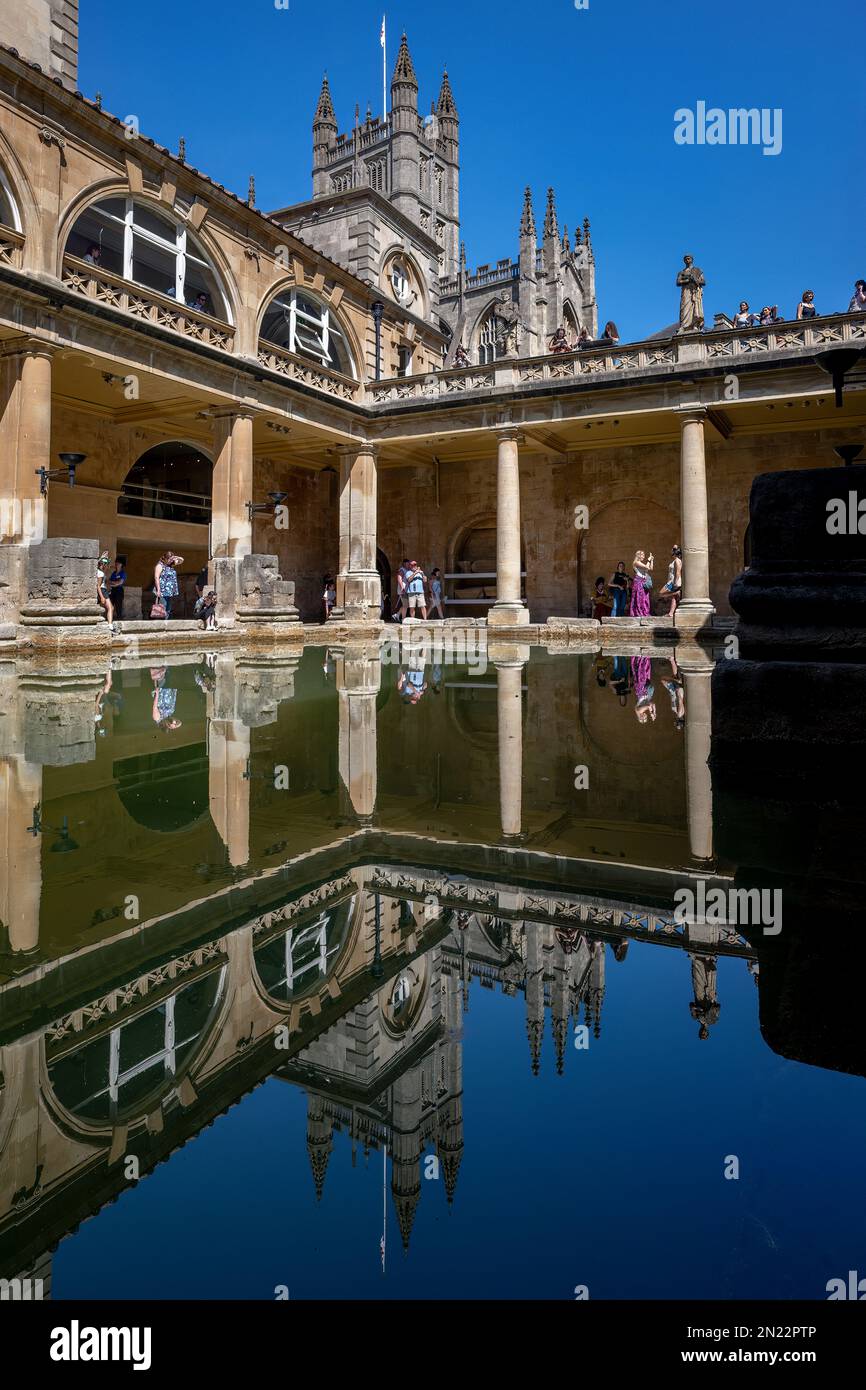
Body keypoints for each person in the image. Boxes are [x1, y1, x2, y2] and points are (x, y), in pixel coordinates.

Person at [153, 551, 182, 619]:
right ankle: (161, 624)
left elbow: (182, 560)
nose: (170, 561)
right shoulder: (160, 565)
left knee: (168, 608)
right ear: (165, 558)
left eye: (172, 559)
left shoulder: (171, 565)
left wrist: (176, 557)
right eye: (169, 559)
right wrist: (158, 590)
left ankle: (167, 624)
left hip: (170, 591)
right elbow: (156, 577)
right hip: (163, 590)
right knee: (163, 607)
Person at [662, 654, 686, 730]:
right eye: (676, 723)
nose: (674, 722)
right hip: (677, 692)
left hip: (674, 692)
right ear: (678, 721)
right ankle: (672, 659)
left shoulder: (678, 713)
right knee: (664, 679)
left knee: (674, 676)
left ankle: (672, 660)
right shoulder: (679, 714)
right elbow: (680, 701)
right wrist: (677, 690)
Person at [659, 544, 683, 618]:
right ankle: (671, 613)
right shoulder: (675, 560)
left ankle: (676, 592)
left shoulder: (677, 560)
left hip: (673, 582)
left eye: (673, 549)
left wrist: (675, 582)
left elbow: (678, 572)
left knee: (661, 593)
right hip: (671, 581)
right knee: (673, 598)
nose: (671, 550)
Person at [631, 655, 656, 724]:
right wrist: (654, 713)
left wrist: (651, 713)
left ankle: (641, 657)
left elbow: (648, 706)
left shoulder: (638, 711)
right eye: (646, 717)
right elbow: (652, 704)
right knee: (646, 670)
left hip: (642, 689)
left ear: (641, 717)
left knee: (641, 671)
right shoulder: (642, 711)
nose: (646, 716)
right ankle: (646, 656)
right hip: (646, 691)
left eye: (645, 717)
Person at [628, 549, 653, 617]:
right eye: (642, 555)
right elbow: (646, 567)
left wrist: (651, 560)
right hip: (638, 581)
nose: (643, 556)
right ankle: (638, 612)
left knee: (644, 597)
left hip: (643, 581)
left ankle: (644, 611)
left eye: (644, 555)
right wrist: (648, 560)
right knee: (639, 597)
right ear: (638, 555)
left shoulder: (641, 563)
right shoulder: (636, 562)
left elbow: (650, 568)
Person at [96, 550, 114, 627]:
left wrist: (103, 556)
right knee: (111, 608)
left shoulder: (99, 571)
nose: (107, 566)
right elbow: (98, 586)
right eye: (106, 564)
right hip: (102, 591)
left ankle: (108, 624)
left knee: (104, 608)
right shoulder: (100, 573)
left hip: (103, 590)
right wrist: (102, 597)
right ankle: (110, 625)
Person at [392, 557, 410, 623]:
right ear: (404, 563)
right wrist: (402, 587)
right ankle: (403, 619)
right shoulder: (402, 570)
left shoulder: (407, 570)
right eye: (408, 563)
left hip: (406, 590)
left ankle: (397, 615)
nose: (409, 565)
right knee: (405, 605)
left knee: (406, 605)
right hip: (403, 590)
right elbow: (399, 578)